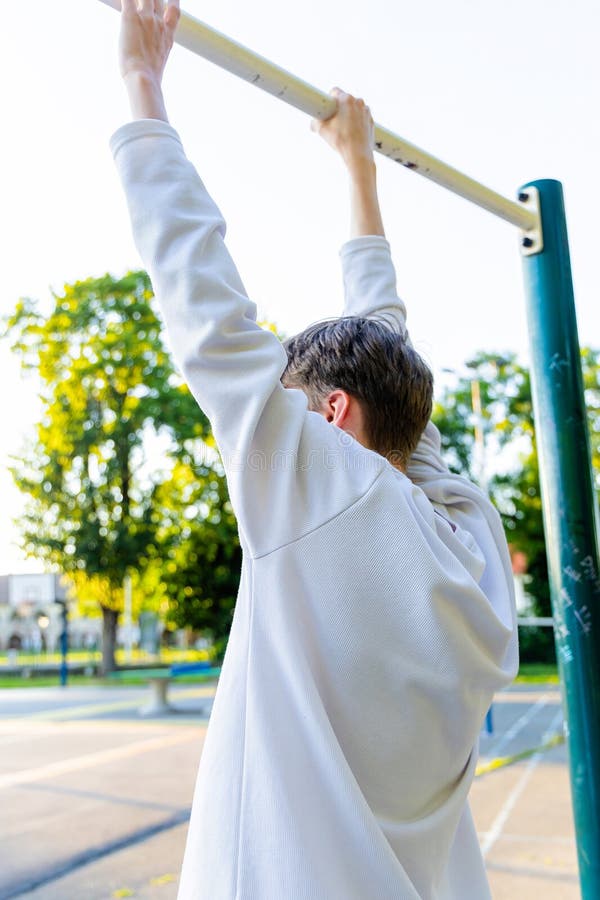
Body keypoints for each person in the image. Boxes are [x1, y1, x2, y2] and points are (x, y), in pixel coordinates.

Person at [111, 3, 518, 898]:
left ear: (331, 414)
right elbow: (390, 356)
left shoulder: (314, 500)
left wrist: (143, 84)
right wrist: (358, 170)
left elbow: (203, 304)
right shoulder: (471, 541)